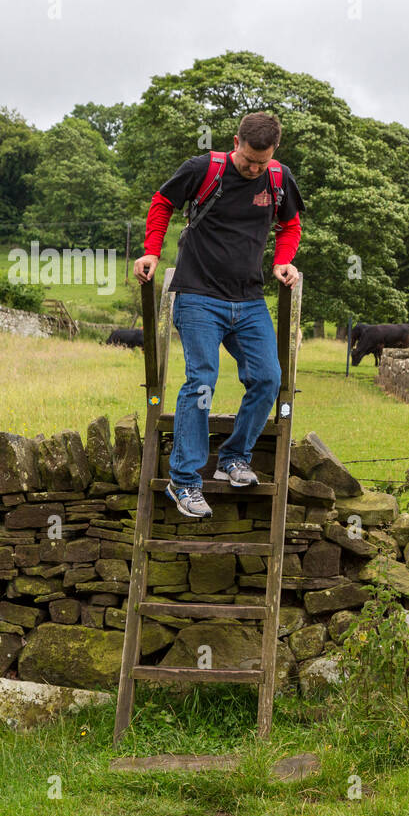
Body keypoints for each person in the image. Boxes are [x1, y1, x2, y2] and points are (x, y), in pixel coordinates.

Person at [133, 111, 304, 518]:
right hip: (197, 295)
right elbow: (162, 203)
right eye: (247, 159)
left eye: (261, 162)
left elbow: (291, 225)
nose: (253, 168)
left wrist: (283, 261)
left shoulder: (279, 179)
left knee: (268, 377)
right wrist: (152, 251)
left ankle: (233, 459)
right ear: (236, 141)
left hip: (248, 299)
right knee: (202, 379)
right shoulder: (203, 169)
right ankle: (185, 482)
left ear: (274, 152)